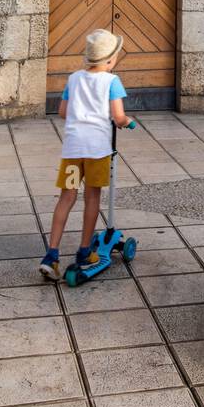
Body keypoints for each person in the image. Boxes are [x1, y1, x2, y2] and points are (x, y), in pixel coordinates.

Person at [39, 29, 134, 281]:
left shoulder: (74, 79)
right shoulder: (111, 82)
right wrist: (128, 122)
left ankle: (52, 255)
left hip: (72, 150)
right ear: (111, 60)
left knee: (66, 198)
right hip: (97, 152)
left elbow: (62, 112)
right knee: (92, 198)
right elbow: (118, 116)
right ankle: (84, 252)